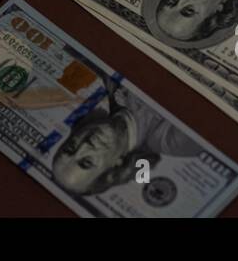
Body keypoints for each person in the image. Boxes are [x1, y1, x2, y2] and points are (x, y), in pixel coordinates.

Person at [51, 82, 201, 197]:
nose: (84, 145)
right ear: (115, 167)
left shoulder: (106, 88)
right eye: (87, 162)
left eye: (70, 148)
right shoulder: (175, 140)